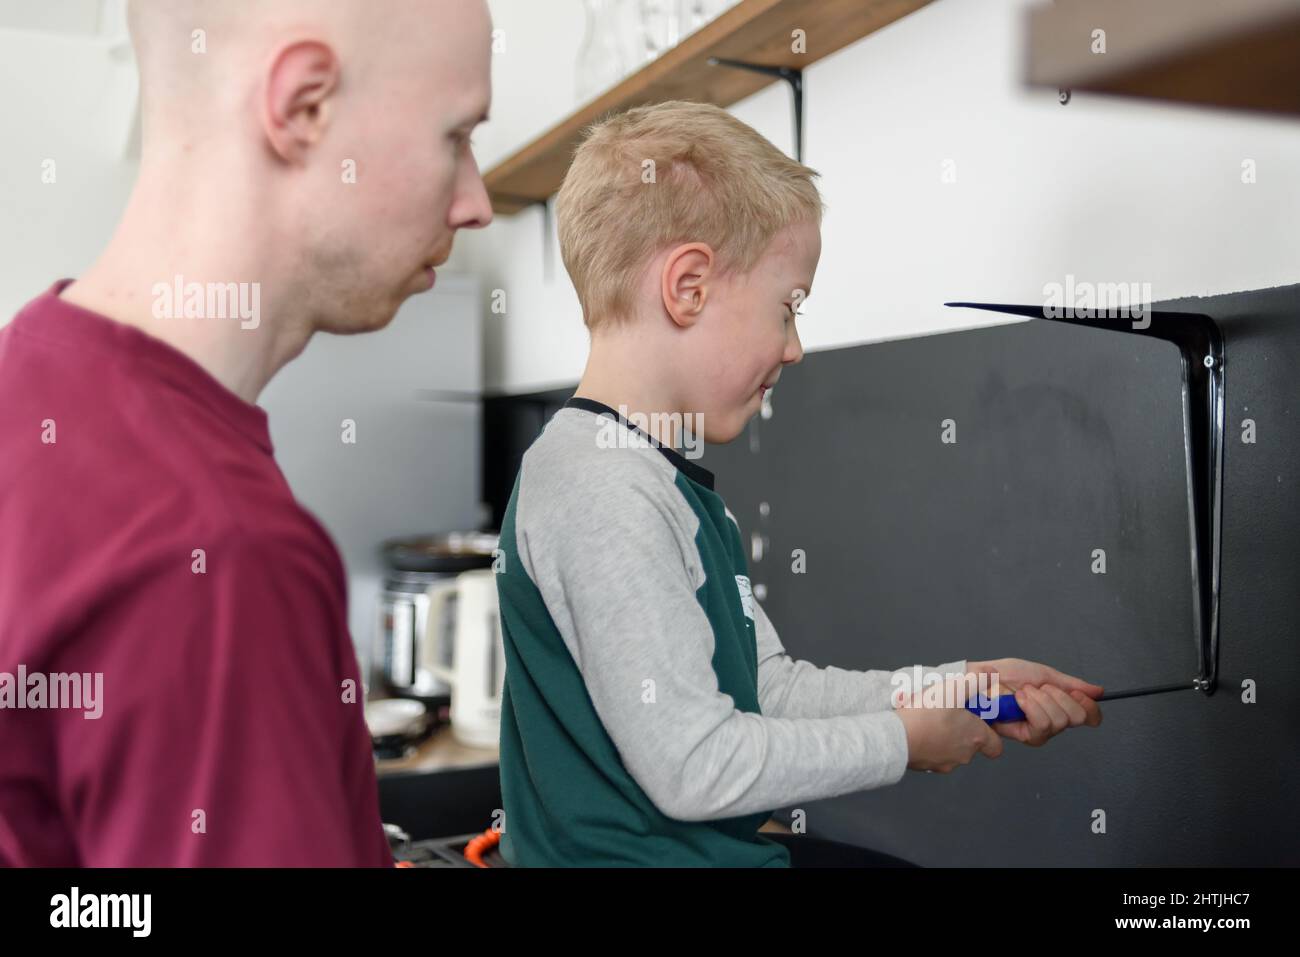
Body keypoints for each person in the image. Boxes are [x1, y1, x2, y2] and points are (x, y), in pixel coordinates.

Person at [493, 100, 1103, 867]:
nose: (795, 348)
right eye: (787, 308)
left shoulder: (658, 480)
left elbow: (768, 691)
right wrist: (903, 741)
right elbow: (697, 766)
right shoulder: (604, 491)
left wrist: (960, 686)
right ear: (688, 287)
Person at [0, 0, 494, 866]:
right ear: (302, 107)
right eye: (456, 136)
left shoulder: (28, 374)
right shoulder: (211, 549)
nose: (476, 201)